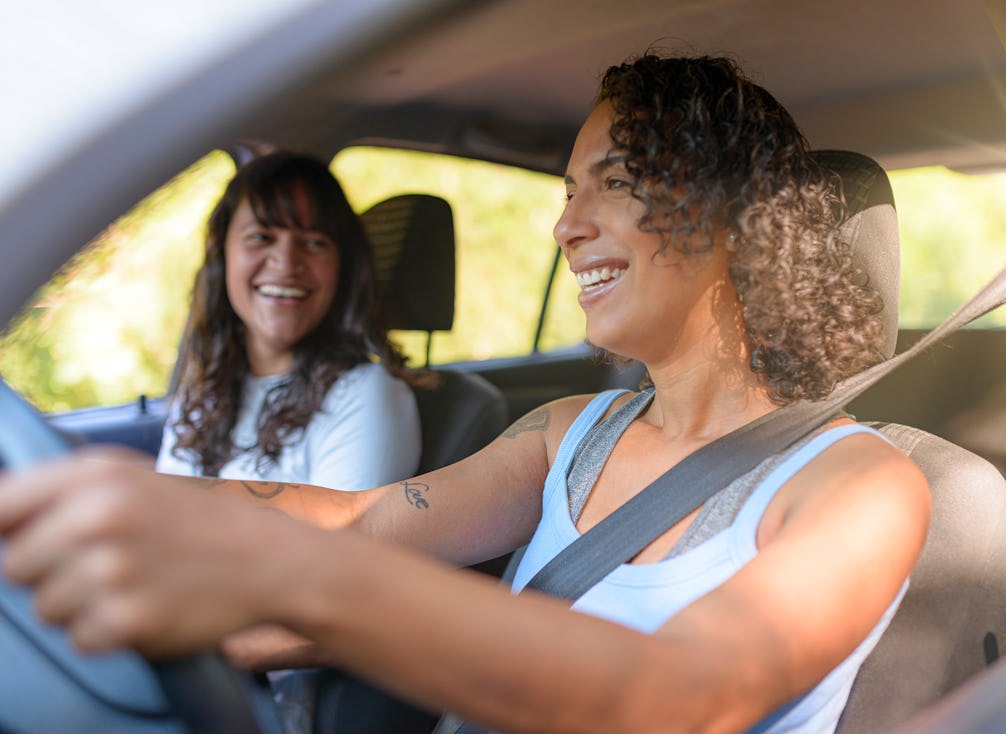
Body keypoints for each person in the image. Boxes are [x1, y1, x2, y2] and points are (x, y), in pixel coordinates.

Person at [0, 54, 930, 733]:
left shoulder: (864, 488)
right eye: (568, 191)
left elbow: (678, 697)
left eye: (613, 182)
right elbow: (363, 520)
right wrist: (103, 506)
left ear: (734, 215)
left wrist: (295, 577)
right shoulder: (571, 431)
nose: (566, 226)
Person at [156, 151, 422, 491]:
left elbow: (339, 528)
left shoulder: (364, 394)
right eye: (261, 237)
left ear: (343, 270)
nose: (285, 263)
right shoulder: (204, 391)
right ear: (223, 256)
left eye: (314, 242)